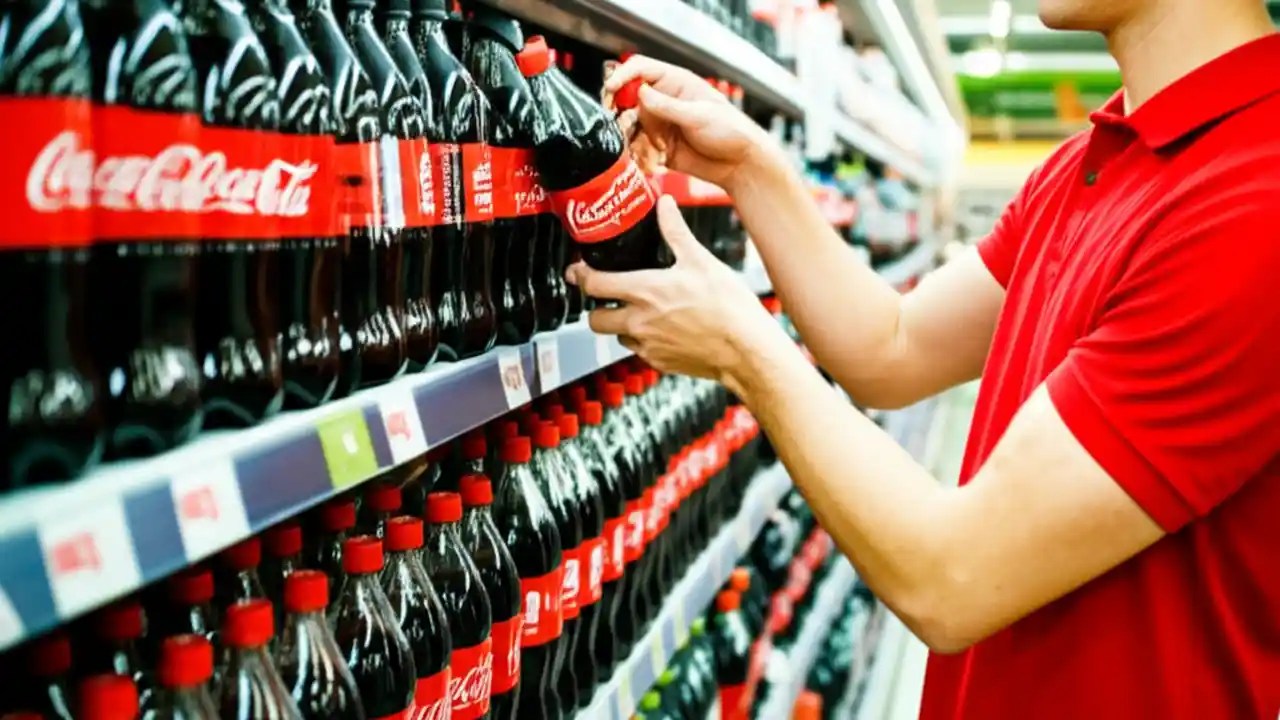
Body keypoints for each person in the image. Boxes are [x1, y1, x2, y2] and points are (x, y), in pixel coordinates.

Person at [568, 0, 1280, 717]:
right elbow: (893, 345)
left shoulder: (1254, 202)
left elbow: (953, 575)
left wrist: (743, 348)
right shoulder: (1090, 161)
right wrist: (751, 169)